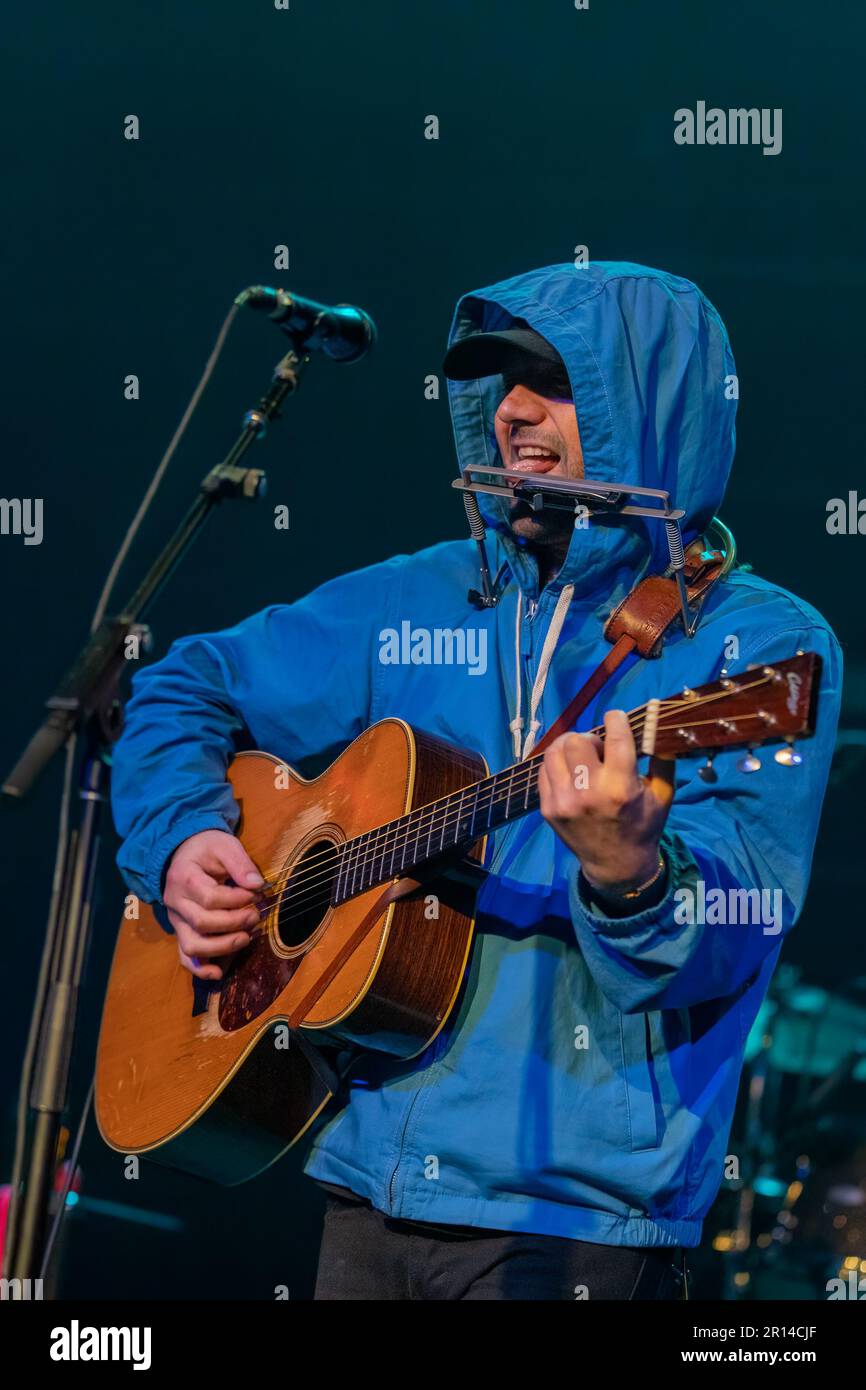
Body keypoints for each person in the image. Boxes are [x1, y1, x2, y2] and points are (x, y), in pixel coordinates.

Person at [111, 261, 841, 1300]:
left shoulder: (755, 646)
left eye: (557, 382)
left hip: (576, 1222)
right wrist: (182, 837)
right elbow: (185, 683)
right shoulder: (426, 594)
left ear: (651, 406)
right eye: (503, 383)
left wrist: (630, 877)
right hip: (365, 1188)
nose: (512, 411)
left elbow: (734, 923)